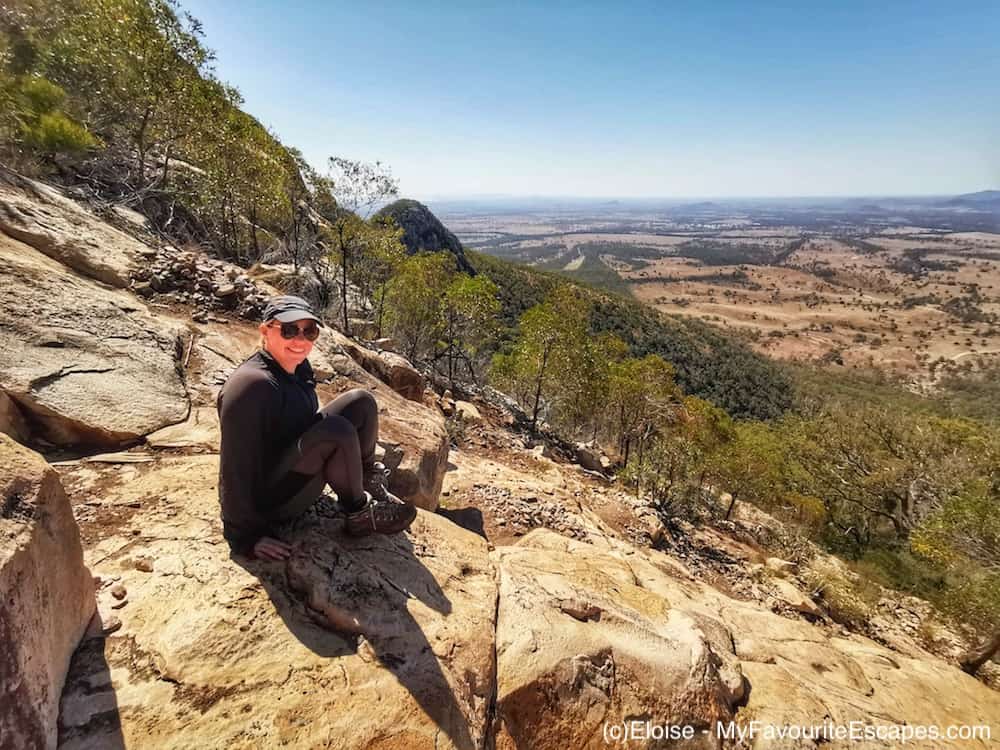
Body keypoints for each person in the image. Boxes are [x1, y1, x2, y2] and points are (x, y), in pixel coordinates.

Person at [216, 295, 416, 561]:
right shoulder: (252, 386)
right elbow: (234, 467)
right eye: (289, 330)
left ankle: (367, 482)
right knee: (335, 430)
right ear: (265, 331)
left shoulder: (297, 368)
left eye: (309, 331)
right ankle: (359, 514)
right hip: (272, 501)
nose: (300, 340)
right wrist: (245, 537)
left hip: (289, 463)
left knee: (361, 402)